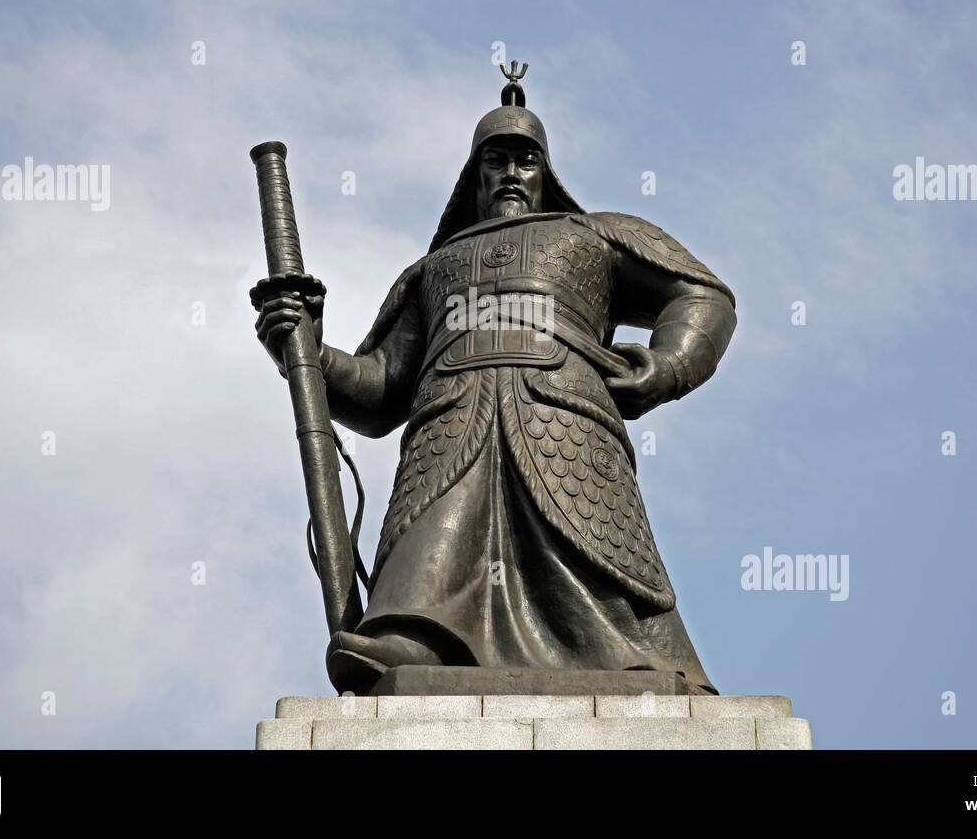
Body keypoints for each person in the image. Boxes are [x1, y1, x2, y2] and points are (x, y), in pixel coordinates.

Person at [254, 67, 737, 694]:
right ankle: (418, 636)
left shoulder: (593, 235)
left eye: (525, 161)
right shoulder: (433, 269)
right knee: (439, 525)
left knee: (592, 547)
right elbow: (378, 389)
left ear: (546, 174)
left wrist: (671, 363)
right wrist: (306, 350)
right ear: (474, 177)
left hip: (561, 412)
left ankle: (627, 657)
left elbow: (702, 294)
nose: (511, 173)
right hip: (452, 417)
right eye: (496, 162)